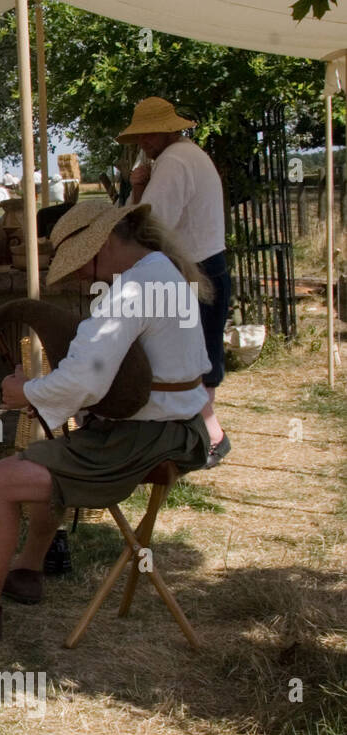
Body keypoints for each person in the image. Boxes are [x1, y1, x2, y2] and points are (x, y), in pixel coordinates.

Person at [0, 202, 213, 647]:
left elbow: (89, 372)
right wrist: (55, 397)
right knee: (47, 454)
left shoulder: (133, 290)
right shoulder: (161, 269)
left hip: (147, 437)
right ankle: (28, 568)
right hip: (177, 429)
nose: (83, 276)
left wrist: (26, 393)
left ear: (104, 242)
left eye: (83, 261)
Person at [121, 97, 231, 467]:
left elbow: (151, 223)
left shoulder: (173, 162)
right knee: (199, 355)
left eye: (148, 135)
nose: (143, 143)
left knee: (189, 359)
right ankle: (206, 436)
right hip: (203, 262)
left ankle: (208, 437)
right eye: (140, 137)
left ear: (168, 130)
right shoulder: (187, 155)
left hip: (191, 269)